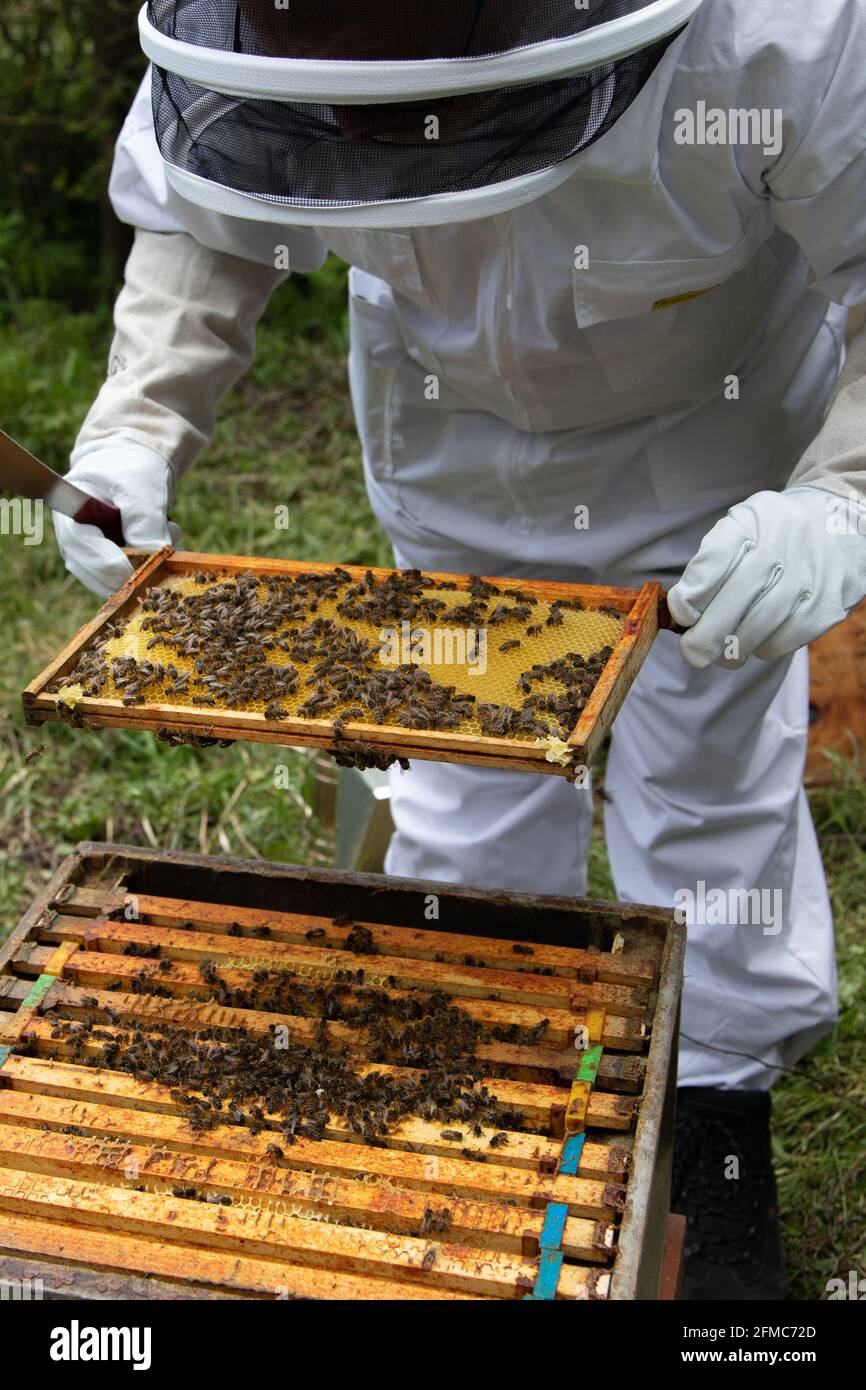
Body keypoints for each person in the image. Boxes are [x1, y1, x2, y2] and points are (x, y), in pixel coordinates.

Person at [55, 0, 866, 1298]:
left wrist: (845, 495)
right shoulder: (275, 43)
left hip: (710, 462)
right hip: (452, 455)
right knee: (465, 774)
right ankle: (486, 1066)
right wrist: (134, 430)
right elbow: (203, 226)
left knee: (706, 787)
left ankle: (714, 1119)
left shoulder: (778, 35)